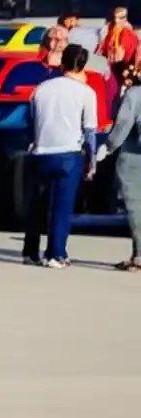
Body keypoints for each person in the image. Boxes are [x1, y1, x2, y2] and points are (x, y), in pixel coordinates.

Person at [23, 44, 98, 269]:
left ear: (63, 61)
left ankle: (30, 251)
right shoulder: (86, 92)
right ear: (83, 65)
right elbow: (89, 131)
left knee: (37, 204)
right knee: (61, 207)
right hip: (68, 153)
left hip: (40, 151)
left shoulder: (42, 88)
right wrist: (92, 161)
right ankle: (55, 253)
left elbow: (31, 120)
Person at [97, 65, 141, 271]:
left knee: (136, 208)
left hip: (135, 158)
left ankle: (140, 256)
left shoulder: (135, 94)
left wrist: (108, 146)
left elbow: (123, 124)